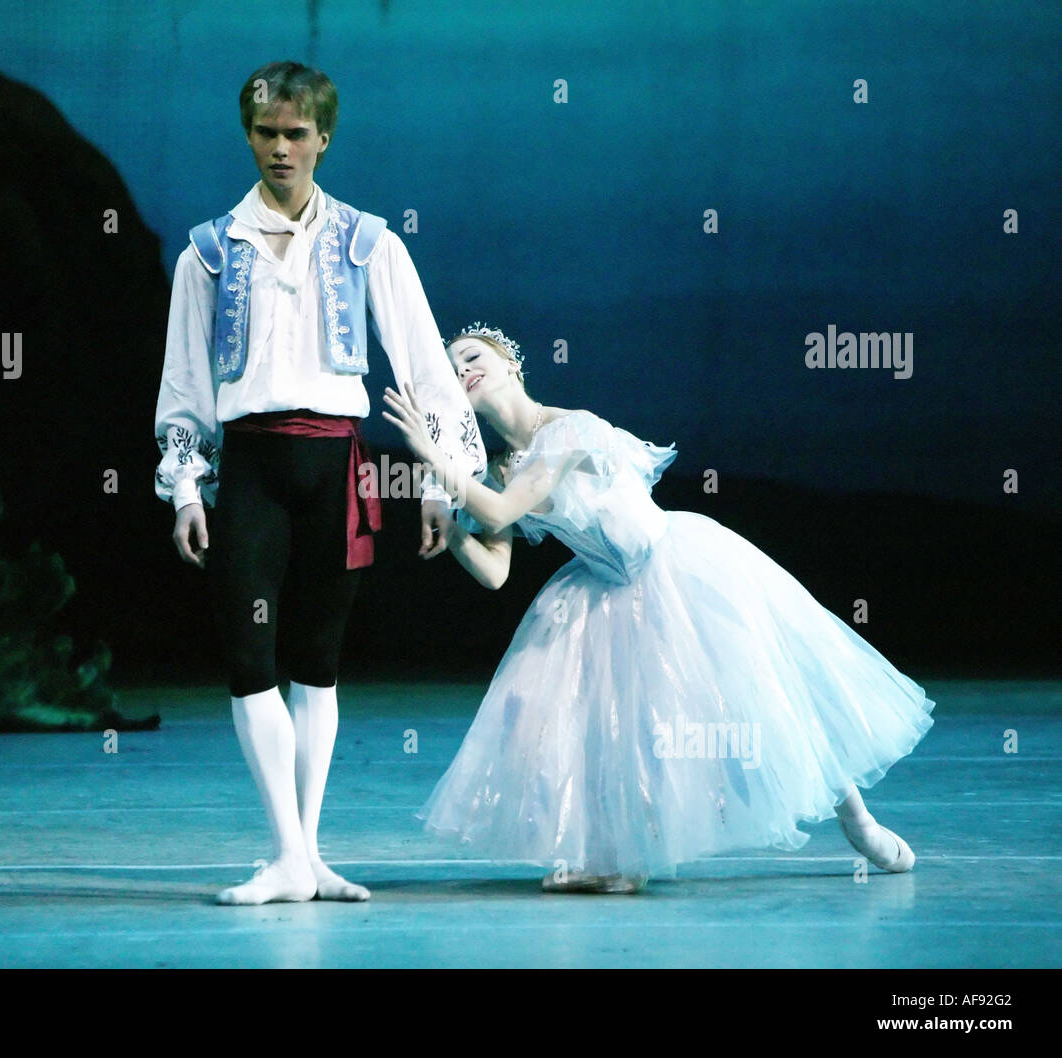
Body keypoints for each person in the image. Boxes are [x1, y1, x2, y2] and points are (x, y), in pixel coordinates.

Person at [381, 323, 934, 893]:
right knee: (612, 727)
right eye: (449, 371)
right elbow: (496, 570)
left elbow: (500, 512)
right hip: (602, 594)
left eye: (471, 357)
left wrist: (430, 457)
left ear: (510, 366)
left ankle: (859, 821)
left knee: (766, 693)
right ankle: (620, 861)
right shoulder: (497, 469)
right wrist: (451, 529)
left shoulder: (571, 429)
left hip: (675, 571)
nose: (461, 370)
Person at [154, 62, 485, 905]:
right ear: (249, 136)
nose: (280, 148)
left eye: (296, 133)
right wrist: (188, 488)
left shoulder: (369, 243)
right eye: (266, 132)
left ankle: (308, 855)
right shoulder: (208, 251)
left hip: (337, 467)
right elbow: (185, 386)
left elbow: (423, 368)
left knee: (318, 666)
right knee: (248, 660)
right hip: (253, 472)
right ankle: (288, 856)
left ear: (323, 139)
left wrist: (442, 484)